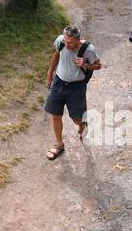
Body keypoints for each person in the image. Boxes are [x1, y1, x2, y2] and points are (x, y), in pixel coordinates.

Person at [43, 24, 101, 159]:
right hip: (59, 82)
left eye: (70, 42)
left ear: (78, 40)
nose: (66, 44)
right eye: (65, 41)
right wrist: (49, 73)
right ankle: (59, 144)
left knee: (76, 118)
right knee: (55, 114)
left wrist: (86, 65)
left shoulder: (88, 49)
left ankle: (82, 123)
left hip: (77, 87)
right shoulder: (60, 42)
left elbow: (98, 65)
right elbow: (56, 55)